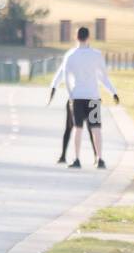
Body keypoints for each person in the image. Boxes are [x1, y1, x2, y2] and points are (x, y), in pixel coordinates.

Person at [48, 26, 119, 169]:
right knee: (96, 128)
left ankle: (77, 159)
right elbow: (103, 77)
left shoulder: (70, 55)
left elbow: (65, 76)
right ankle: (100, 159)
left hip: (77, 97)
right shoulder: (96, 55)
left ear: (76, 37)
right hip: (93, 97)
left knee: (77, 128)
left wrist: (71, 94)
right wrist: (113, 92)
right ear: (88, 37)